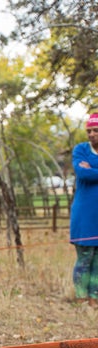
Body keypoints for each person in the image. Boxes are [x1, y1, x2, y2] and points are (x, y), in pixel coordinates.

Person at [69, 113, 98, 306]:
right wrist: (89, 171)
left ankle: (94, 297)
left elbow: (91, 172)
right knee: (85, 257)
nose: (91, 134)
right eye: (89, 130)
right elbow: (83, 173)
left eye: (95, 130)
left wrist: (93, 169)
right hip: (84, 215)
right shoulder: (81, 150)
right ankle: (81, 297)